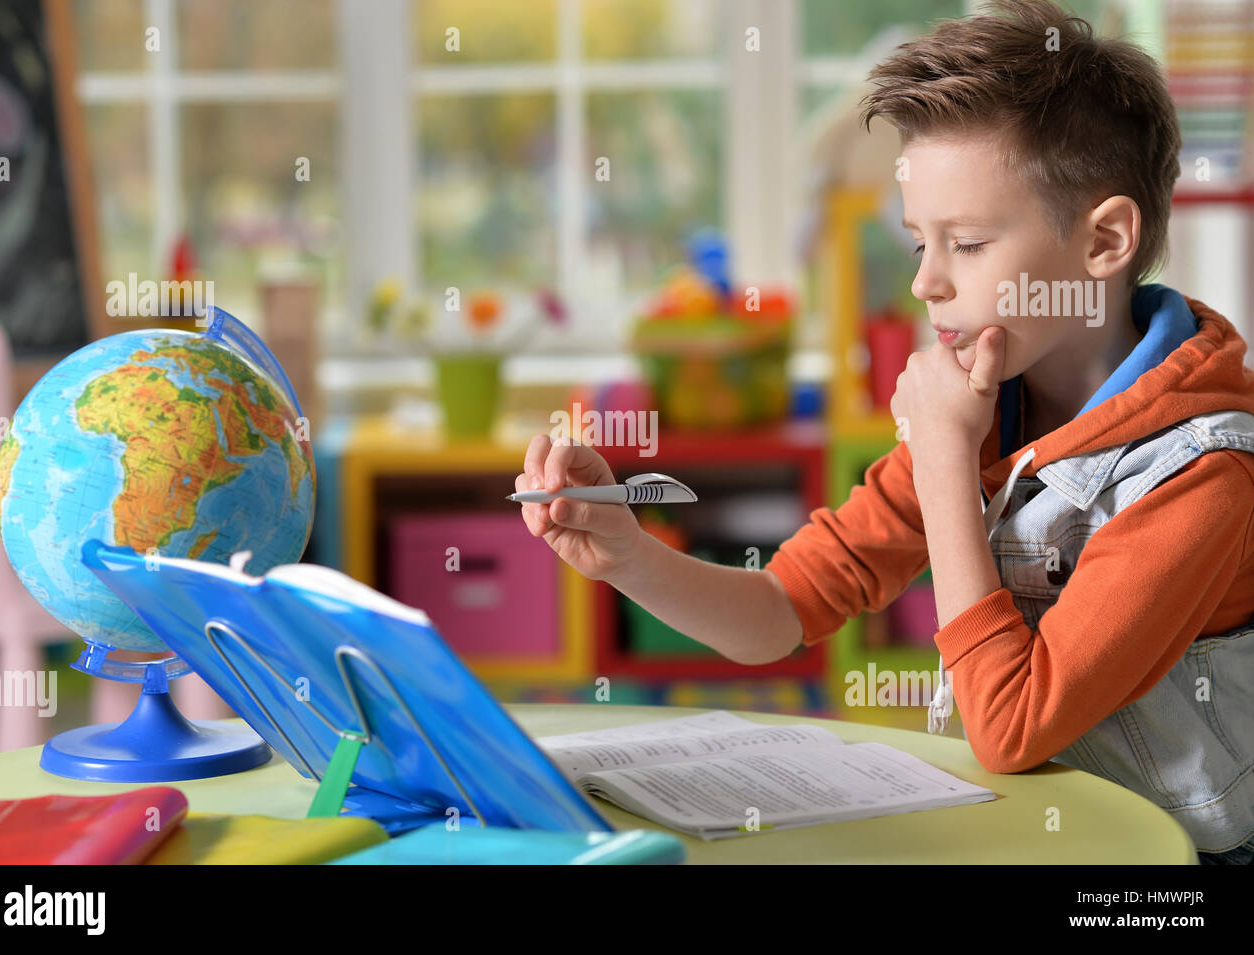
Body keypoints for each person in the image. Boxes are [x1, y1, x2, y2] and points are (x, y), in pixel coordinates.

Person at [515, 0, 1254, 864]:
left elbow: (1013, 726)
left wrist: (942, 461)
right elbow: (778, 612)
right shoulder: (988, 410)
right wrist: (631, 555)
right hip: (1033, 838)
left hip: (1174, 870)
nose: (928, 285)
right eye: (918, 247)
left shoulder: (1199, 475)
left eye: (968, 245)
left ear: (1104, 242)